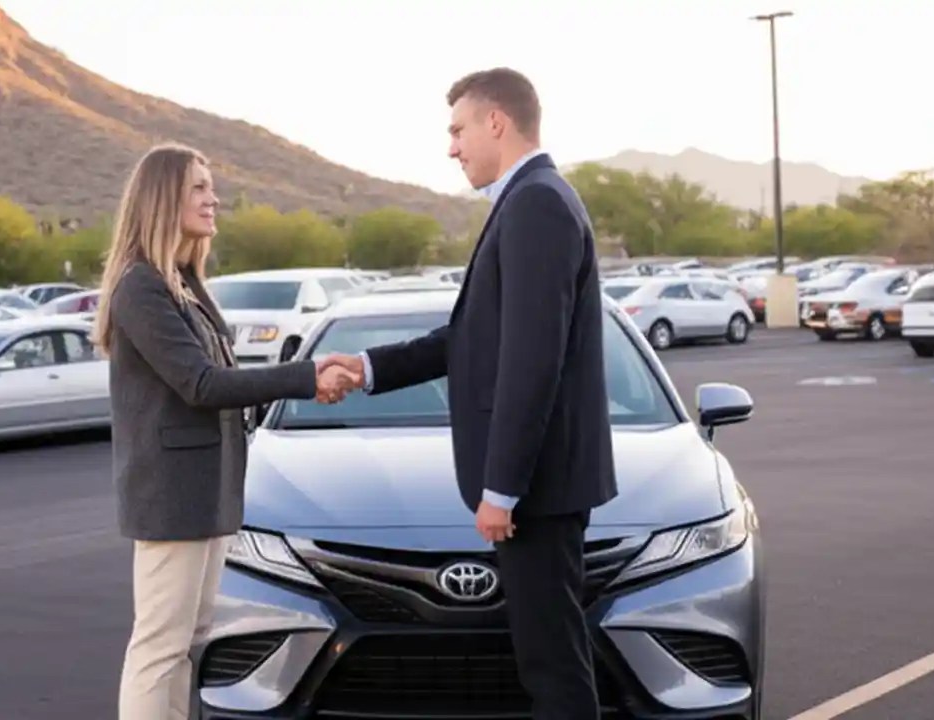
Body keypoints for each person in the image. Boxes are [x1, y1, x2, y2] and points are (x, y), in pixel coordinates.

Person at [318, 68, 617, 719]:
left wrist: (501, 488)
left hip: (538, 491)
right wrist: (367, 366)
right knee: (548, 662)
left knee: (554, 672)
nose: (452, 147)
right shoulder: (528, 200)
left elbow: (532, 361)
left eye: (457, 130)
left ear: (496, 123)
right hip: (540, 488)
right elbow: (470, 342)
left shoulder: (538, 203)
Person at [94, 142, 359, 720]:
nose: (213, 197)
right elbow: (203, 385)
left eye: (210, 186)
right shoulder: (141, 287)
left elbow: (221, 382)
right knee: (159, 646)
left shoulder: (184, 283)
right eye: (197, 187)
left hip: (208, 489)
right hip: (172, 495)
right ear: (163, 198)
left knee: (188, 642)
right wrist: (308, 375)